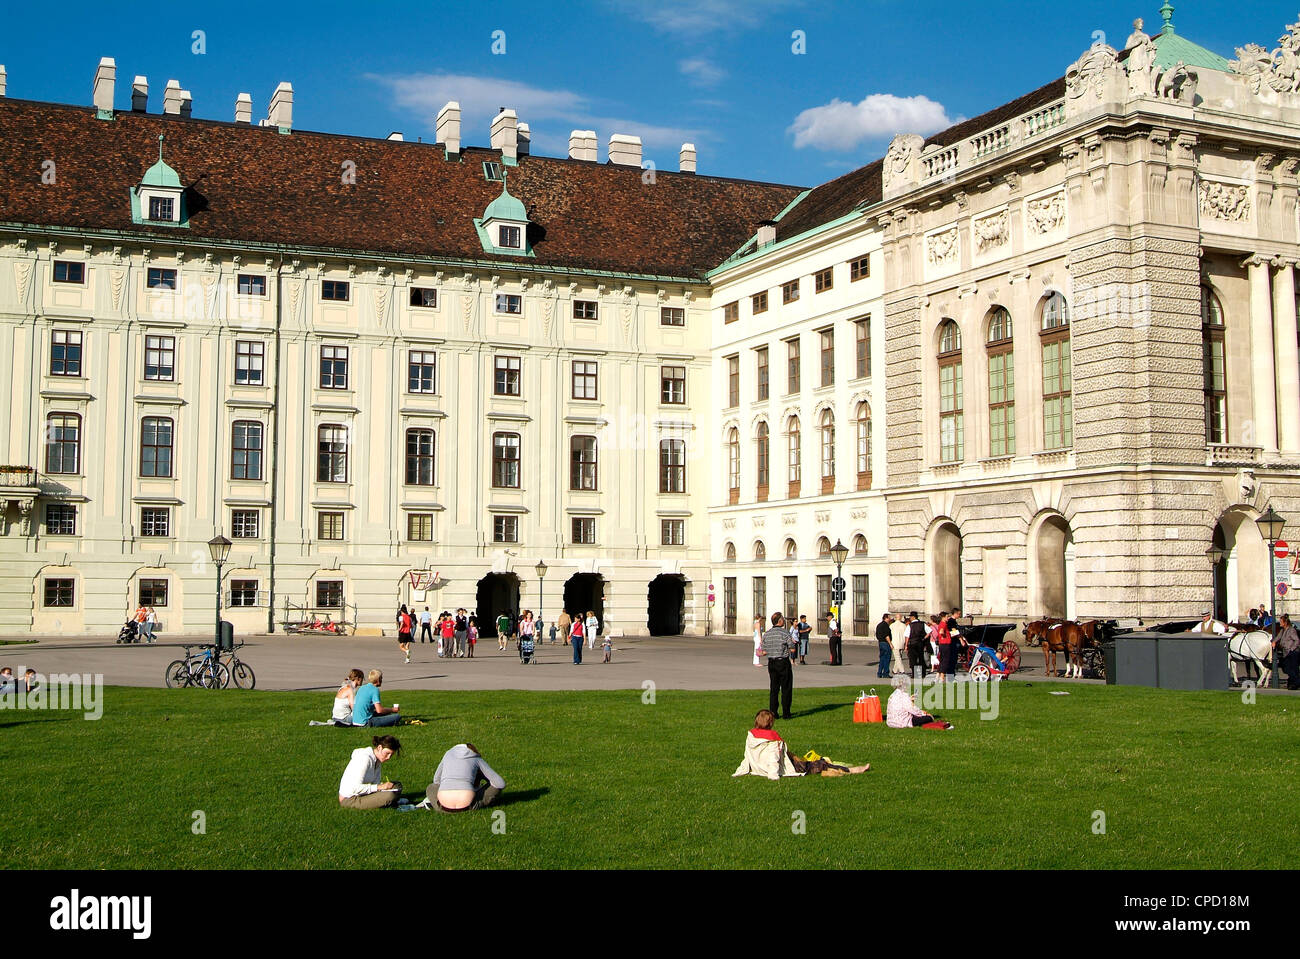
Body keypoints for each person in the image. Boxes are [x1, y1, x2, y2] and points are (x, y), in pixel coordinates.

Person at [732, 709, 869, 779]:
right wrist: (773, 775)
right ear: (771, 723)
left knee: (811, 761)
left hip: (759, 768)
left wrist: (741, 770)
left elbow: (747, 756)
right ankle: (853, 770)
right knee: (820, 764)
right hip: (774, 769)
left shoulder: (751, 736)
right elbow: (773, 758)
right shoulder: (773, 740)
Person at [427, 743, 506, 812]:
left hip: (442, 808)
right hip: (470, 807)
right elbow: (500, 783)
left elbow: (436, 781)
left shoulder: (447, 754)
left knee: (431, 787)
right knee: (495, 786)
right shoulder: (476, 758)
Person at [338, 735, 403, 810]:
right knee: (390, 795)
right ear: (379, 748)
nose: (388, 757)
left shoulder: (378, 760)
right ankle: (392, 801)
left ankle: (391, 800)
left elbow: (375, 782)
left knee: (397, 785)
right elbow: (354, 788)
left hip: (364, 793)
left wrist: (382, 787)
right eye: (387, 753)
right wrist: (380, 787)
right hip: (350, 799)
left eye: (391, 755)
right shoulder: (364, 759)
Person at [762, 611, 796, 719]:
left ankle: (773, 712)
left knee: (774, 688)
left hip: (771, 663)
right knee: (786, 688)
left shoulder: (767, 634)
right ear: (780, 621)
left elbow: (764, 651)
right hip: (783, 662)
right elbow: (792, 648)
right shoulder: (785, 633)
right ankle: (786, 713)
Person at [1273, 613, 1300, 690]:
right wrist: (1274, 642)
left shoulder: (1291, 630)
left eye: (1281, 622)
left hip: (1293, 653)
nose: (1280, 623)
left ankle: (1296, 683)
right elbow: (1278, 637)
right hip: (1286, 653)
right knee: (1288, 669)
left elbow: (1297, 640)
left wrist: (1292, 649)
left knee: (1291, 669)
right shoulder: (1282, 630)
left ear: (1285, 623)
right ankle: (1295, 683)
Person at [905, 612, 929, 679]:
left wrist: (906, 645)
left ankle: (915, 674)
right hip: (920, 642)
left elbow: (907, 636)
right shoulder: (922, 624)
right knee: (921, 658)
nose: (910, 618)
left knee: (913, 659)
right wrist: (924, 638)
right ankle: (923, 673)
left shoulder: (910, 625)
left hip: (912, 643)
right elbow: (930, 631)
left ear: (913, 617)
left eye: (910, 617)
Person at [875, 613, 895, 679]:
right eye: (889, 618)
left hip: (880, 643)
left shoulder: (879, 625)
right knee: (887, 659)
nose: (890, 619)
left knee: (882, 658)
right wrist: (890, 644)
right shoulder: (885, 625)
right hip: (885, 643)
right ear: (886, 618)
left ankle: (879, 673)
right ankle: (886, 673)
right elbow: (887, 636)